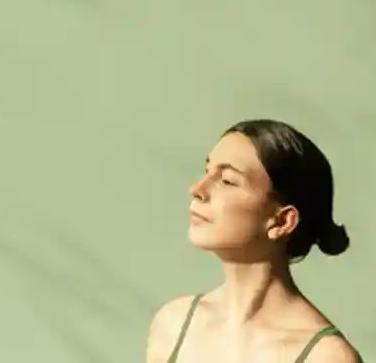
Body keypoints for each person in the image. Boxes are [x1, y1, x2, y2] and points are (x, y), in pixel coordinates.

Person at [145, 119, 361, 363]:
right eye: (207, 172)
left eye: (227, 180)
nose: (197, 189)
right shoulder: (173, 325)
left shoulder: (325, 357)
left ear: (282, 222)